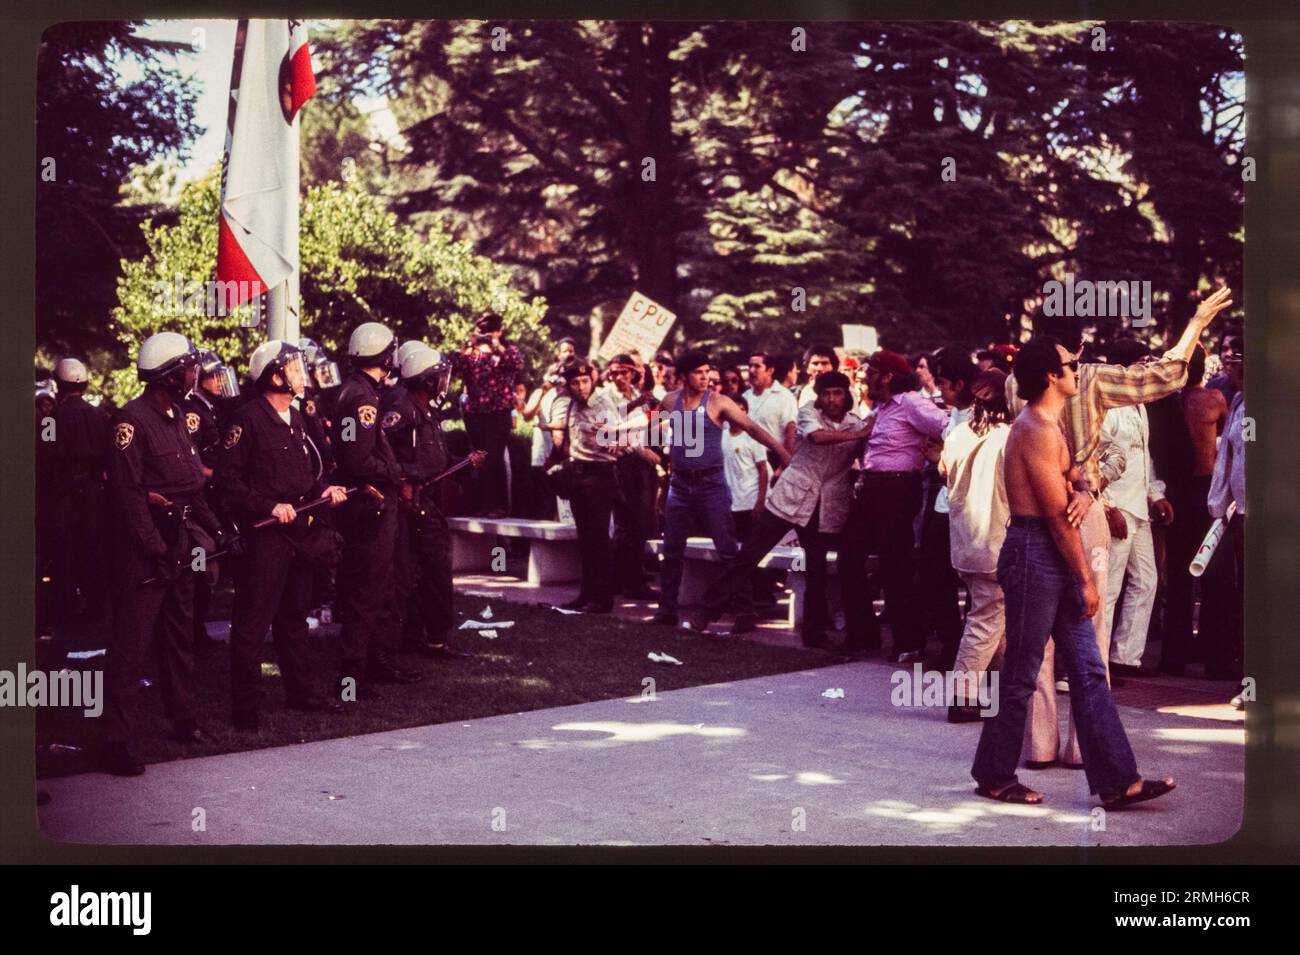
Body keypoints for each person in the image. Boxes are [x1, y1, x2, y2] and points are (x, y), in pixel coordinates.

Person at [1010, 286, 1233, 767]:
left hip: (1030, 516)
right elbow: (1166, 374)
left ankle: (1040, 746)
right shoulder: (1090, 380)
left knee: (1038, 644)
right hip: (1080, 513)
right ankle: (1081, 750)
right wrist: (1194, 324)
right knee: (1093, 630)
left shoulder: (1019, 387)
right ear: (1076, 356)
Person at [970, 336, 1176, 808]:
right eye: (1069, 363)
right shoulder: (1035, 430)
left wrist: (1083, 488)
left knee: (1088, 671)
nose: (1077, 369)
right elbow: (1057, 518)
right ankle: (994, 774)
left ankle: (1117, 782)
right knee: (1021, 672)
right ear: (1050, 375)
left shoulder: (1049, 424)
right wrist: (1085, 578)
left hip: (1049, 551)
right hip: (1036, 552)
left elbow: (1072, 483)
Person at [101, 332, 227, 776]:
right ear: (171, 375)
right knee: (130, 645)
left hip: (182, 541)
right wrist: (155, 549)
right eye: (189, 368)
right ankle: (114, 739)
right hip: (148, 548)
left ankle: (183, 718)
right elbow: (129, 496)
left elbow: (191, 483)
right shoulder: (130, 421)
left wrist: (216, 528)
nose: (195, 374)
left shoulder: (178, 416)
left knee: (180, 633)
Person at [217, 341, 350, 731]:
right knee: (253, 622)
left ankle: (302, 693)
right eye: (292, 367)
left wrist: (324, 491)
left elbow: (313, 469)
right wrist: (267, 506)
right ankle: (246, 708)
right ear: (274, 376)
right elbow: (228, 480)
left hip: (301, 532)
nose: (300, 373)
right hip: (266, 537)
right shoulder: (247, 419)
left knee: (294, 618)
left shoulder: (299, 417)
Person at [688, 372, 863, 646]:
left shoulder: (855, 423)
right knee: (749, 555)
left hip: (825, 505)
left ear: (847, 394)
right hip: (789, 497)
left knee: (816, 569)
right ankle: (706, 612)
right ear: (818, 395)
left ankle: (814, 634)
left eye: (838, 393)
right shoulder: (809, 414)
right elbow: (816, 438)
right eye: (826, 393)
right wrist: (863, 432)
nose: (832, 399)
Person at [654, 350, 792, 629]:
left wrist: (782, 452)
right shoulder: (671, 400)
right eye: (698, 372)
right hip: (679, 484)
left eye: (708, 372)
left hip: (711, 485)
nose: (705, 377)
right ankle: (667, 610)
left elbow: (753, 429)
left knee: (728, 550)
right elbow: (649, 423)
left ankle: (744, 611)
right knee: (671, 550)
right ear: (683, 377)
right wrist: (616, 431)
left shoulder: (719, 402)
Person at [331, 321, 425, 700]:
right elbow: (356, 458)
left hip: (367, 506)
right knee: (365, 592)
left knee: (375, 589)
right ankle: (351, 679)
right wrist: (396, 472)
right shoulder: (363, 399)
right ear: (385, 356)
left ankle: (367, 668)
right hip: (370, 507)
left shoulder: (354, 392)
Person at [839, 349, 947, 660]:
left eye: (871, 373)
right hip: (872, 487)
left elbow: (947, 426)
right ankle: (863, 635)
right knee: (849, 558)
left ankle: (909, 642)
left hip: (899, 487)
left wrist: (937, 453)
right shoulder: (883, 408)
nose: (865, 379)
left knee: (894, 565)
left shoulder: (912, 403)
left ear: (888, 376)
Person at [383, 345, 487, 659]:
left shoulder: (427, 408)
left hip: (426, 501)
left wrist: (463, 463)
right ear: (425, 379)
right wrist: (407, 478)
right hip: (410, 505)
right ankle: (424, 639)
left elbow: (436, 459)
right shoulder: (400, 407)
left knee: (430, 571)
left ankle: (428, 637)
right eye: (438, 376)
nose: (444, 381)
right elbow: (380, 453)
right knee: (422, 572)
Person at [1097, 339, 1173, 678]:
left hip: (1139, 507)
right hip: (1115, 508)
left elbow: (1144, 458)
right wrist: (1107, 507)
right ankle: (1096, 661)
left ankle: (1125, 657)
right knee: (1108, 586)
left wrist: (1156, 494)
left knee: (1146, 581)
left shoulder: (1138, 405)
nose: (1148, 367)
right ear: (1125, 368)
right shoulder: (1108, 407)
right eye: (1144, 361)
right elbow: (1093, 463)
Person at [941, 369, 1012, 721]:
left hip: (964, 541)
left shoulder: (957, 434)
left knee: (994, 620)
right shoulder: (1011, 437)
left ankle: (995, 694)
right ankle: (962, 696)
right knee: (986, 620)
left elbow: (942, 471)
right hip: (997, 541)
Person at [1155, 343, 1228, 676]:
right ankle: (1216, 659)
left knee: (1179, 577)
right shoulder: (1213, 401)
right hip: (1207, 490)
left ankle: (1174, 656)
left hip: (1175, 492)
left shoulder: (1166, 406)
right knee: (1214, 575)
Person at [919, 348, 978, 668]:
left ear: (958, 383)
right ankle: (950, 642)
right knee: (932, 574)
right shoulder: (953, 414)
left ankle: (969, 652)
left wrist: (940, 461)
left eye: (942, 383)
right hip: (945, 504)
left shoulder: (982, 417)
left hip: (971, 508)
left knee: (972, 582)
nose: (939, 389)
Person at [549, 358, 622, 612]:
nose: (581, 387)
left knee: (599, 538)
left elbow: (619, 438)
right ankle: (586, 594)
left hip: (599, 475)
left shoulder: (603, 404)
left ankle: (602, 599)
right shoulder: (571, 405)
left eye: (584, 381)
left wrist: (611, 437)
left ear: (592, 380)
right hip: (578, 475)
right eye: (575, 382)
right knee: (585, 538)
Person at [49, 358, 112, 646]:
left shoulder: (52, 419)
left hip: (63, 493)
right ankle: (97, 607)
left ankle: (64, 611)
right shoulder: (100, 416)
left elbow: (46, 455)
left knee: (64, 554)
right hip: (95, 493)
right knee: (95, 549)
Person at [451, 312, 521, 517]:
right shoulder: (473, 352)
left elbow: (515, 363)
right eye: (482, 331)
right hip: (475, 413)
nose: (485, 335)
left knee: (495, 456)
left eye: (489, 331)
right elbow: (454, 366)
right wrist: (467, 346)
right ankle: (482, 504)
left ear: (500, 331)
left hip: (499, 412)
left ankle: (499, 506)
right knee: (479, 457)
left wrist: (495, 344)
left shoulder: (507, 350)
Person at [603, 354, 661, 599]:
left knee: (640, 524)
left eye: (624, 372)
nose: (619, 378)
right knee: (627, 523)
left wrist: (655, 450)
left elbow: (656, 425)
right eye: (614, 373)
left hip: (643, 463)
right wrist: (639, 450)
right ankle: (628, 581)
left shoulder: (640, 395)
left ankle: (627, 579)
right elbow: (608, 431)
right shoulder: (607, 396)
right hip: (623, 462)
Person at [1207, 332, 1246, 688]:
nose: (1229, 362)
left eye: (1237, 357)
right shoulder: (1237, 402)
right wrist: (1218, 506)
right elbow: (1225, 461)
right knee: (1246, 594)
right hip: (1243, 516)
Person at [721, 394, 769, 545]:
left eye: (742, 410)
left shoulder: (753, 437)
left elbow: (763, 470)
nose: (739, 414)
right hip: (729, 503)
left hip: (750, 502)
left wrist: (760, 502)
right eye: (734, 410)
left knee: (751, 546)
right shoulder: (721, 437)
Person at [520, 363, 566, 519]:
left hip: (565, 456)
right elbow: (526, 415)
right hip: (542, 455)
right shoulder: (541, 392)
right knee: (544, 503)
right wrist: (541, 393)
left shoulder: (570, 393)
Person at [743, 352, 799, 458]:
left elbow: (791, 433)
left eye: (757, 366)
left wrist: (783, 466)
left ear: (770, 371)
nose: (751, 370)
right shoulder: (745, 397)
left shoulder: (785, 396)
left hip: (773, 458)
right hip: (746, 461)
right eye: (750, 366)